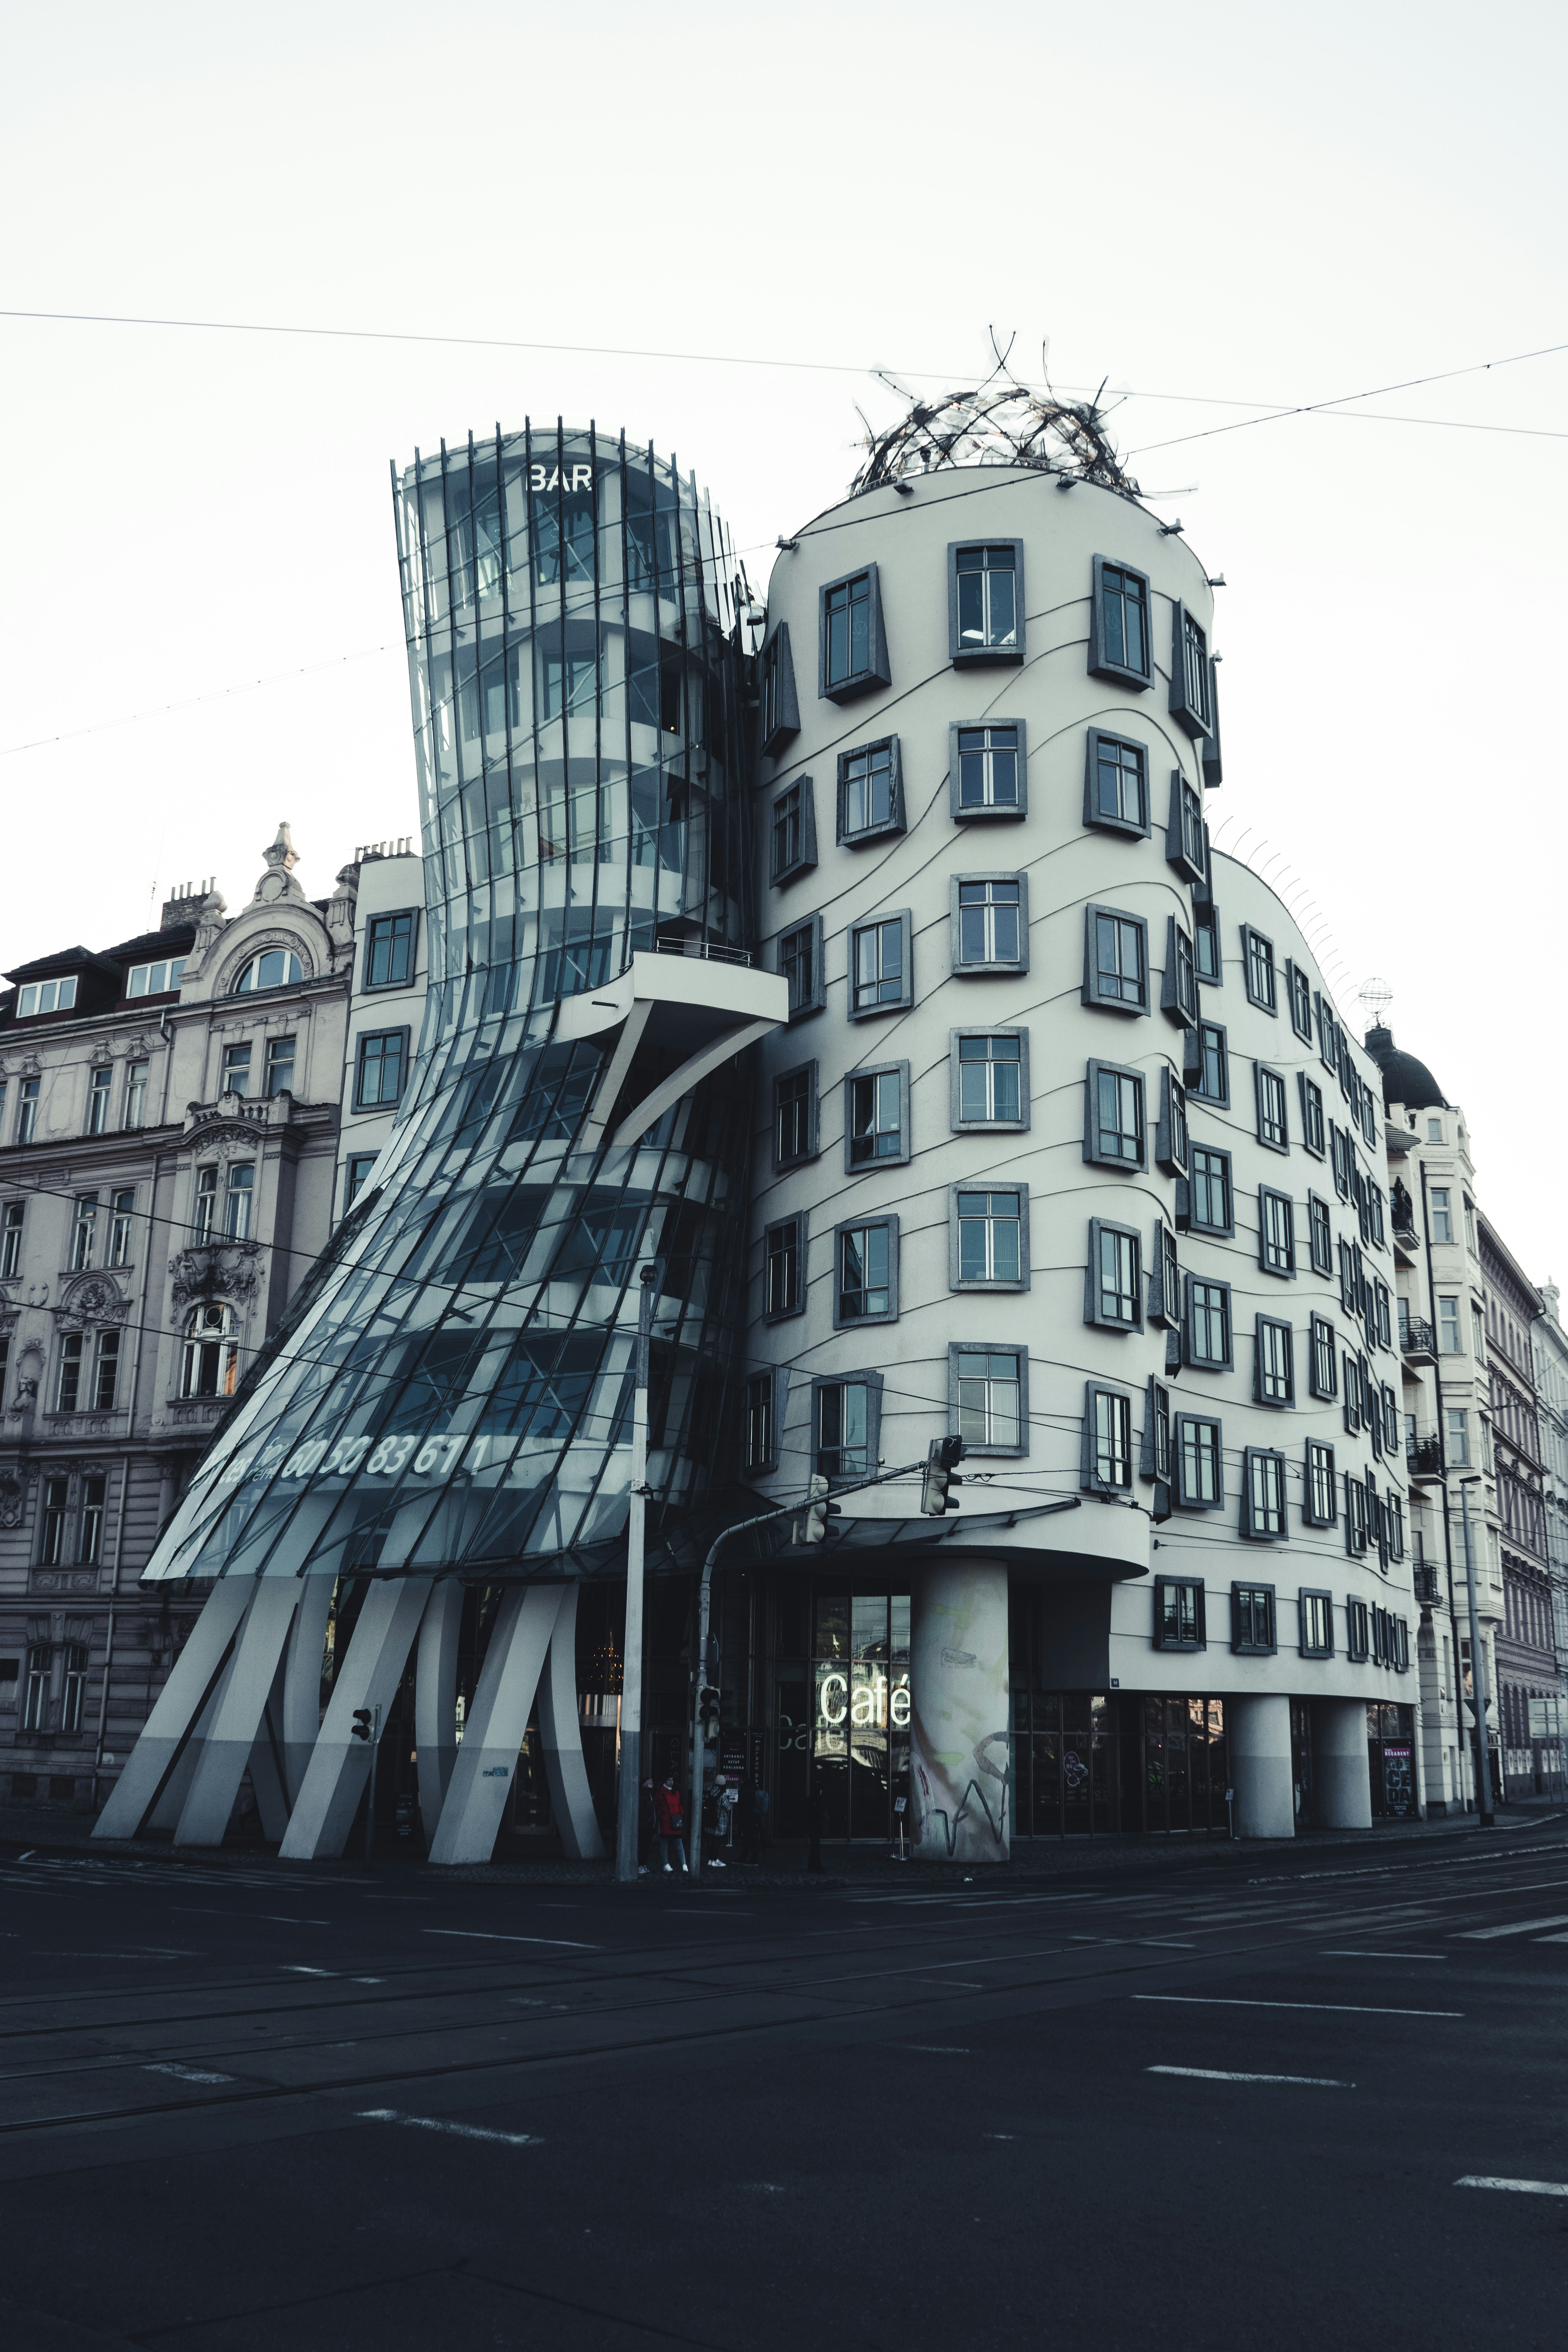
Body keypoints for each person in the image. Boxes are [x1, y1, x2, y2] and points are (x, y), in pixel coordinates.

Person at [653, 1773, 688, 1873]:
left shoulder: (676, 1792)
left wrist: (681, 1815)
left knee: (678, 1842)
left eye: (672, 1780)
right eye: (669, 1780)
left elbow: (679, 1805)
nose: (671, 1782)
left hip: (675, 1820)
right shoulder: (661, 1793)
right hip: (666, 1821)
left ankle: (684, 1864)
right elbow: (657, 1806)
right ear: (665, 1782)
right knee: (665, 1842)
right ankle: (666, 1864)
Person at [806, 1776, 826, 1875]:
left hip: (811, 1826)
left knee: (815, 1845)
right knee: (816, 1846)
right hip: (814, 1826)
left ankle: (812, 1865)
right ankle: (817, 1866)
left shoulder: (811, 1800)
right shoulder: (816, 1800)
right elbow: (819, 1812)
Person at [638, 1777, 656, 1876]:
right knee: (644, 1846)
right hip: (645, 1826)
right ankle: (641, 1865)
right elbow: (641, 1810)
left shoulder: (650, 1795)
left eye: (652, 1783)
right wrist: (648, 1819)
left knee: (647, 1847)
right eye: (650, 1784)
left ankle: (643, 1864)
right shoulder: (643, 1796)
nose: (652, 1785)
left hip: (651, 1825)